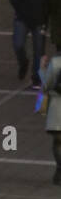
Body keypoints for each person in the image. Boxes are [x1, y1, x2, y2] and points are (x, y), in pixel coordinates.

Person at [9, 0, 55, 86]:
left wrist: (47, 14)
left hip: (40, 19)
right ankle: (23, 62)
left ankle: (36, 78)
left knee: (39, 50)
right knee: (18, 44)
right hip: (22, 17)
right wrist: (19, 9)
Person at [40, 54, 61, 185]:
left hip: (57, 110)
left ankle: (60, 169)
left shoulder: (56, 62)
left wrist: (42, 68)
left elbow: (46, 86)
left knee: (58, 142)